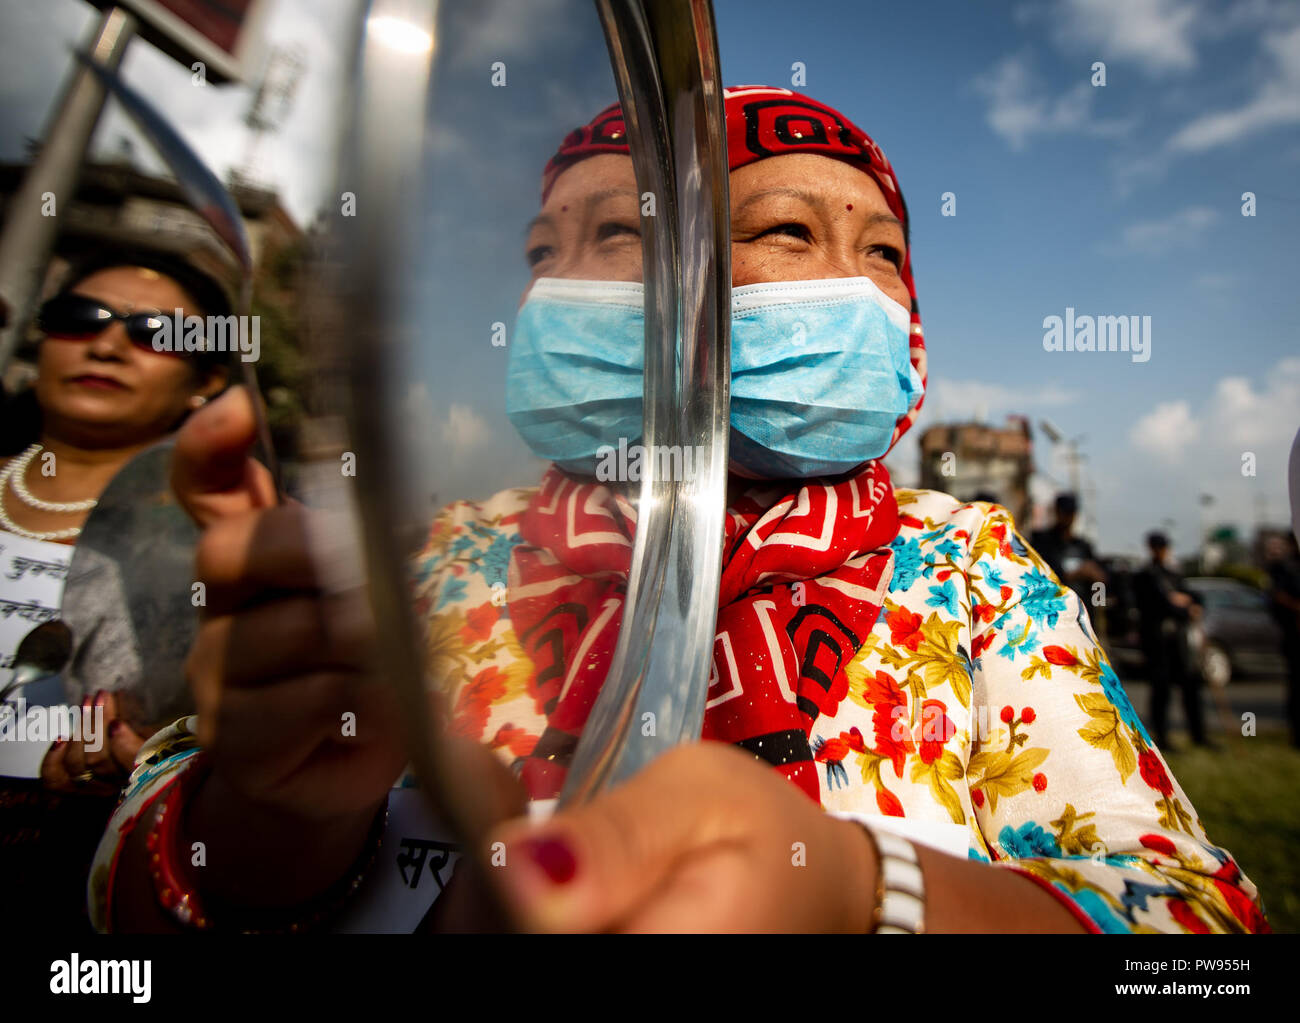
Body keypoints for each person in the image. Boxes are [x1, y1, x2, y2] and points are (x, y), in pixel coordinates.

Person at [93, 88, 1268, 934]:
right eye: (789, 234)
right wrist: (285, 824)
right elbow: (134, 888)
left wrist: (874, 897)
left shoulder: (966, 566)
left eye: (885, 253)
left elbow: (1197, 924)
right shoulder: (433, 557)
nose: (851, 288)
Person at [0, 247, 228, 793]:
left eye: (157, 332)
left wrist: (164, 764)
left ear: (209, 381)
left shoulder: (225, 550)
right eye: (81, 320)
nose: (107, 346)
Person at [1133, 531, 1208, 750]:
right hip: (1158, 640)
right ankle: (1162, 737)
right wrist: (1180, 606)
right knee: (1161, 689)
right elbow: (1158, 604)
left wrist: (1185, 602)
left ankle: (1198, 735)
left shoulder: (1172, 573)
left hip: (1179, 639)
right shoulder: (1146, 575)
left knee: (1191, 686)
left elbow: (1193, 596)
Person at [1263, 533, 1300, 747]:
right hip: (1294, 637)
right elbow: (1275, 597)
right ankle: (1296, 735)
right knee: (1296, 685)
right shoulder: (1283, 569)